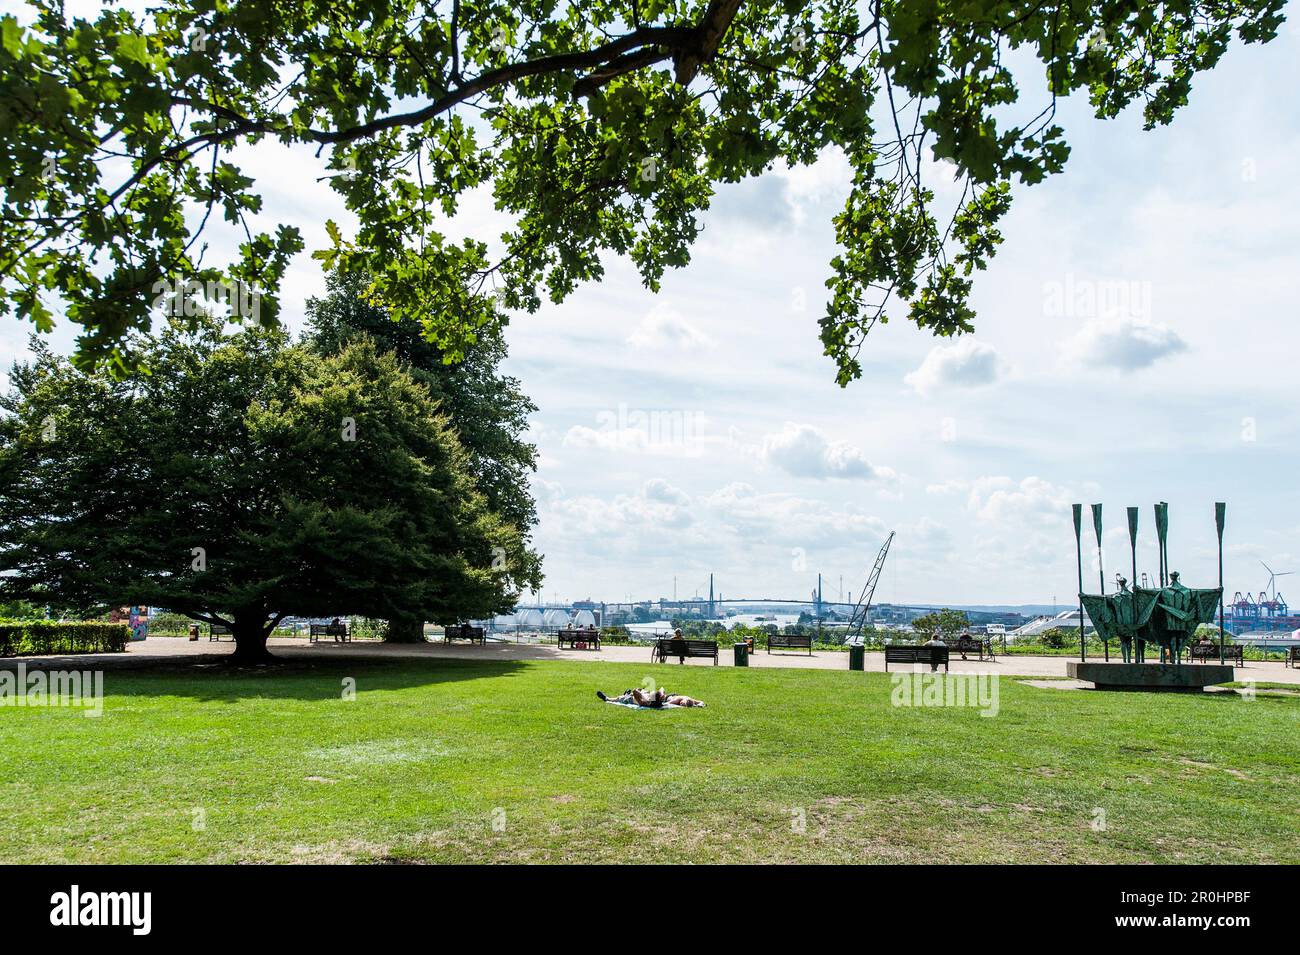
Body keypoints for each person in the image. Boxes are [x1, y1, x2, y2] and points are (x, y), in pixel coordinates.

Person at [597, 687, 705, 708]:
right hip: (640, 696)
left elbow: (635, 692)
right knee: (644, 691)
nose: (681, 705)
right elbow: (662, 689)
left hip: (630, 699)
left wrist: (637, 691)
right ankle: (625, 694)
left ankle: (607, 699)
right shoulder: (685, 698)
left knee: (619, 698)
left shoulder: (645, 702)